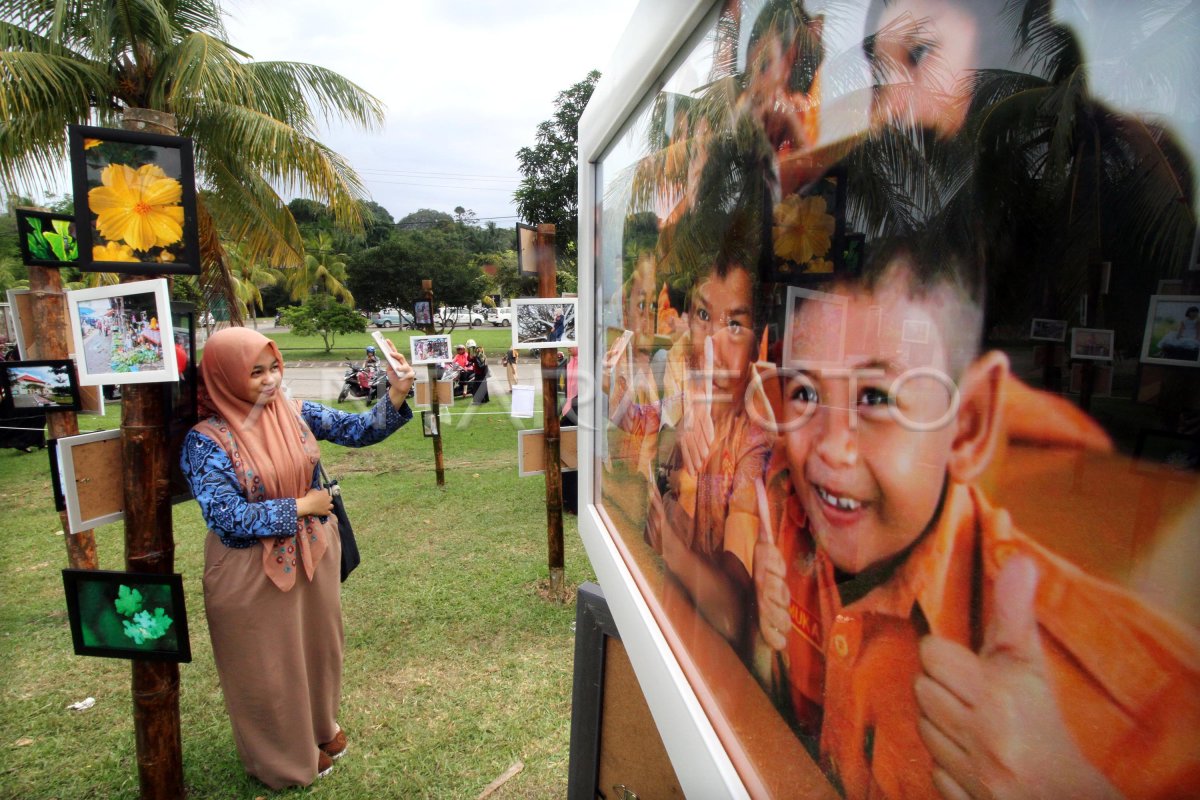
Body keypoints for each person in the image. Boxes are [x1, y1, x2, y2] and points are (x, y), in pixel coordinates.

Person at [752, 238, 1200, 799]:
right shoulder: (783, 511)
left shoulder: (1144, 706)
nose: (829, 448)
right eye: (805, 391)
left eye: (876, 397)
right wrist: (761, 635)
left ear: (969, 424)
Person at [179, 327, 415, 789]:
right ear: (224, 378)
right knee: (266, 664)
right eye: (255, 373)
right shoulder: (205, 441)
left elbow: (357, 429)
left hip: (313, 554)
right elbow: (225, 516)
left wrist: (398, 391)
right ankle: (282, 756)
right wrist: (301, 506)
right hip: (249, 569)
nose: (270, 380)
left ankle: (319, 727)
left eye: (274, 368)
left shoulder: (292, 411)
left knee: (319, 647)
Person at [466, 340, 489, 404]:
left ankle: (478, 400)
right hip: (481, 372)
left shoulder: (477, 351)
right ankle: (484, 399)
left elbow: (474, 360)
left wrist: (469, 352)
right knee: (482, 385)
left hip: (480, 372)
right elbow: (470, 359)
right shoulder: (477, 351)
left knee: (477, 386)